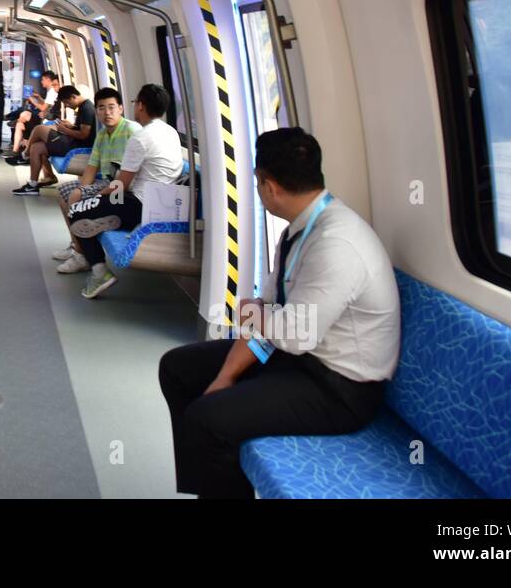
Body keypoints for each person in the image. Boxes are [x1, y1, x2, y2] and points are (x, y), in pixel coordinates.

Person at [158, 127, 401, 498]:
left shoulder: (337, 243)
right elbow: (268, 316)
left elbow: (292, 333)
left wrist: (259, 316)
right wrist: (226, 376)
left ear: (268, 185)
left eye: (257, 181)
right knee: (176, 368)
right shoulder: (300, 231)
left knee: (205, 421)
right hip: (299, 359)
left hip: (340, 388)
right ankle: (205, 485)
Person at [66, 83, 182, 299]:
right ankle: (108, 218)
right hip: (162, 202)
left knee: (77, 211)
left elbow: (121, 185)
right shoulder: (171, 132)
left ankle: (99, 273)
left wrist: (95, 196)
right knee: (91, 211)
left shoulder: (140, 138)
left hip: (138, 204)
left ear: (141, 106)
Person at [51, 88, 140, 270]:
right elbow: (92, 166)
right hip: (106, 182)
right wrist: (84, 189)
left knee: (75, 197)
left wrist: (82, 193)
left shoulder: (131, 130)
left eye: (111, 107)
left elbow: (130, 176)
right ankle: (77, 245)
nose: (107, 113)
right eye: (101, 108)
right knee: (63, 194)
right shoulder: (102, 134)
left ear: (121, 109)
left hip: (123, 188)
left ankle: (81, 255)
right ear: (97, 110)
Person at [12, 85, 95, 195]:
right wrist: (70, 126)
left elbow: (84, 135)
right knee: (36, 148)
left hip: (77, 146)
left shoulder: (87, 108)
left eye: (67, 102)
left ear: (74, 97)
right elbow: (81, 129)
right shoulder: (83, 107)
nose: (67, 106)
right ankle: (32, 185)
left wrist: (64, 129)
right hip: (73, 141)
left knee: (39, 129)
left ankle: (24, 155)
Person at [5, 70, 60, 163]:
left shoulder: (52, 92)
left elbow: (43, 108)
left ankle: (15, 121)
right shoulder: (51, 92)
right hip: (45, 116)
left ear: (48, 79)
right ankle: (17, 123)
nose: (41, 82)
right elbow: (46, 104)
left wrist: (31, 98)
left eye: (42, 80)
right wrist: (38, 97)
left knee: (24, 113)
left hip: (45, 118)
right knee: (21, 120)